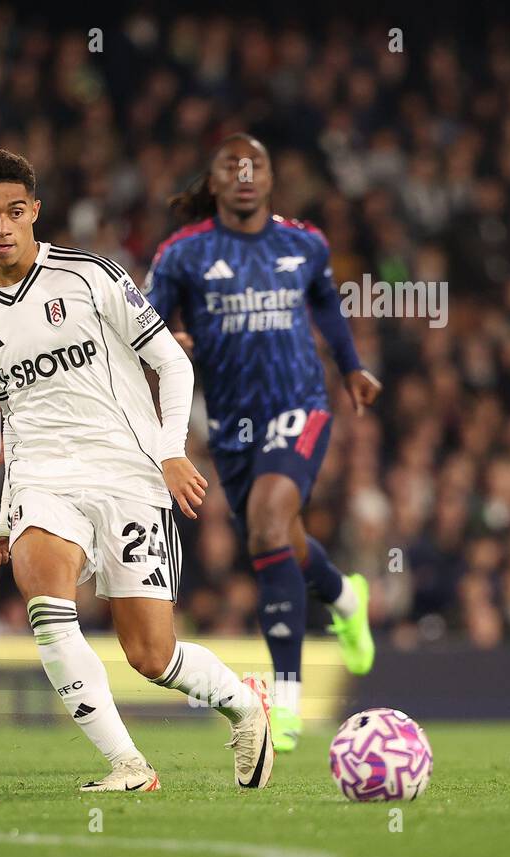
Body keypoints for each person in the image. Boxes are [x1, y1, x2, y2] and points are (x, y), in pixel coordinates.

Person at [0, 148, 273, 792]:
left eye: (14, 211)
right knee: (46, 602)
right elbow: (14, 423)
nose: (2, 226)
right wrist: (7, 514)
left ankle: (244, 705)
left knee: (151, 656)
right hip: (46, 482)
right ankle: (129, 765)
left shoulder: (92, 276)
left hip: (128, 476)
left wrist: (170, 448)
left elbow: (173, 363)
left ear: (34, 213)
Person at [144, 133, 381, 753]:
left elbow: (327, 305)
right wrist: (171, 343)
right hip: (231, 423)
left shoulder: (303, 243)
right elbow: (142, 329)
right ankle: (342, 596)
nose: (245, 174)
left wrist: (351, 365)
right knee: (274, 537)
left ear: (271, 178)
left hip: (300, 406)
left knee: (271, 526)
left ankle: (288, 699)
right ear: (215, 181)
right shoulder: (181, 255)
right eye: (232, 165)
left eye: (257, 165)